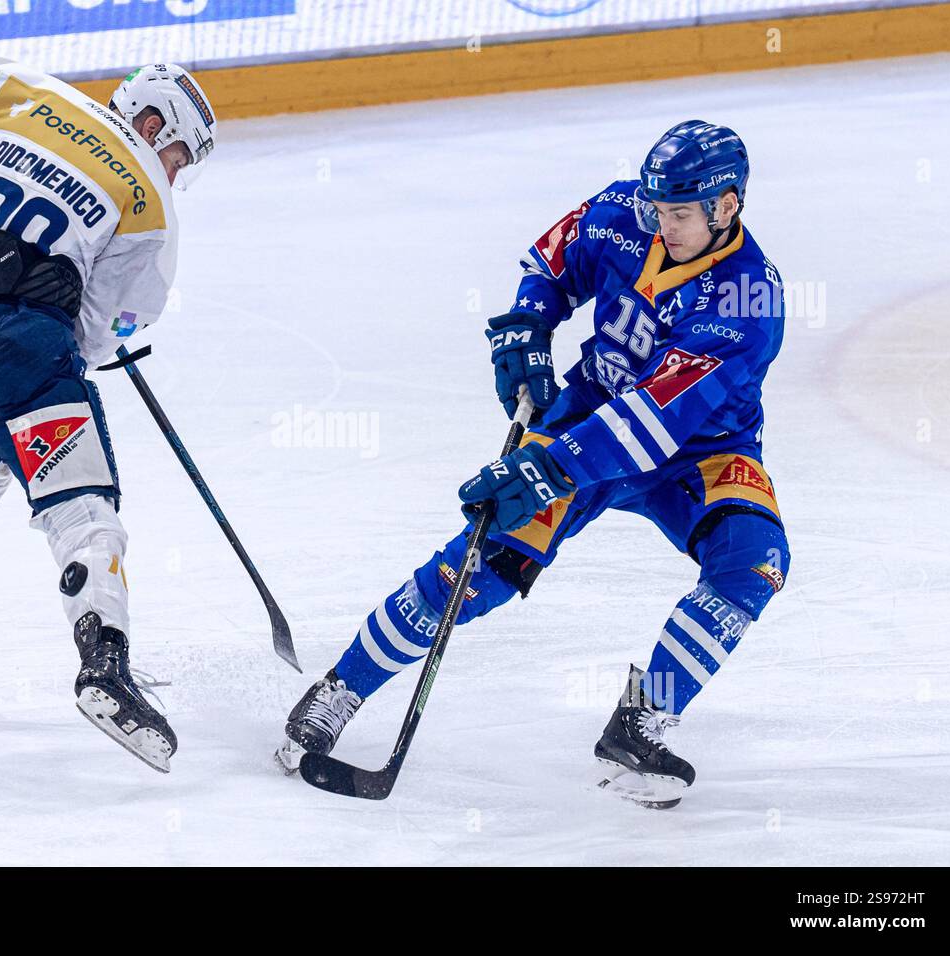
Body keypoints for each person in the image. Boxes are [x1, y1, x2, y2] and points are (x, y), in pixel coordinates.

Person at [276, 121, 790, 808]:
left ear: (726, 207)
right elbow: (549, 266)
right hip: (591, 411)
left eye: (678, 213)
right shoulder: (624, 212)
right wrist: (528, 330)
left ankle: (638, 722)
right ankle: (339, 688)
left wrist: (548, 469)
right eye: (656, 207)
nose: (660, 223)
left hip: (699, 450)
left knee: (755, 561)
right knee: (481, 566)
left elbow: (658, 419)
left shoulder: (748, 298)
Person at [0, 20, 217, 774]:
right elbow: (98, 335)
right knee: (82, 510)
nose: (171, 168)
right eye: (178, 152)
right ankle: (104, 664)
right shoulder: (153, 209)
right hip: (23, 357)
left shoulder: (25, 90)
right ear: (156, 122)